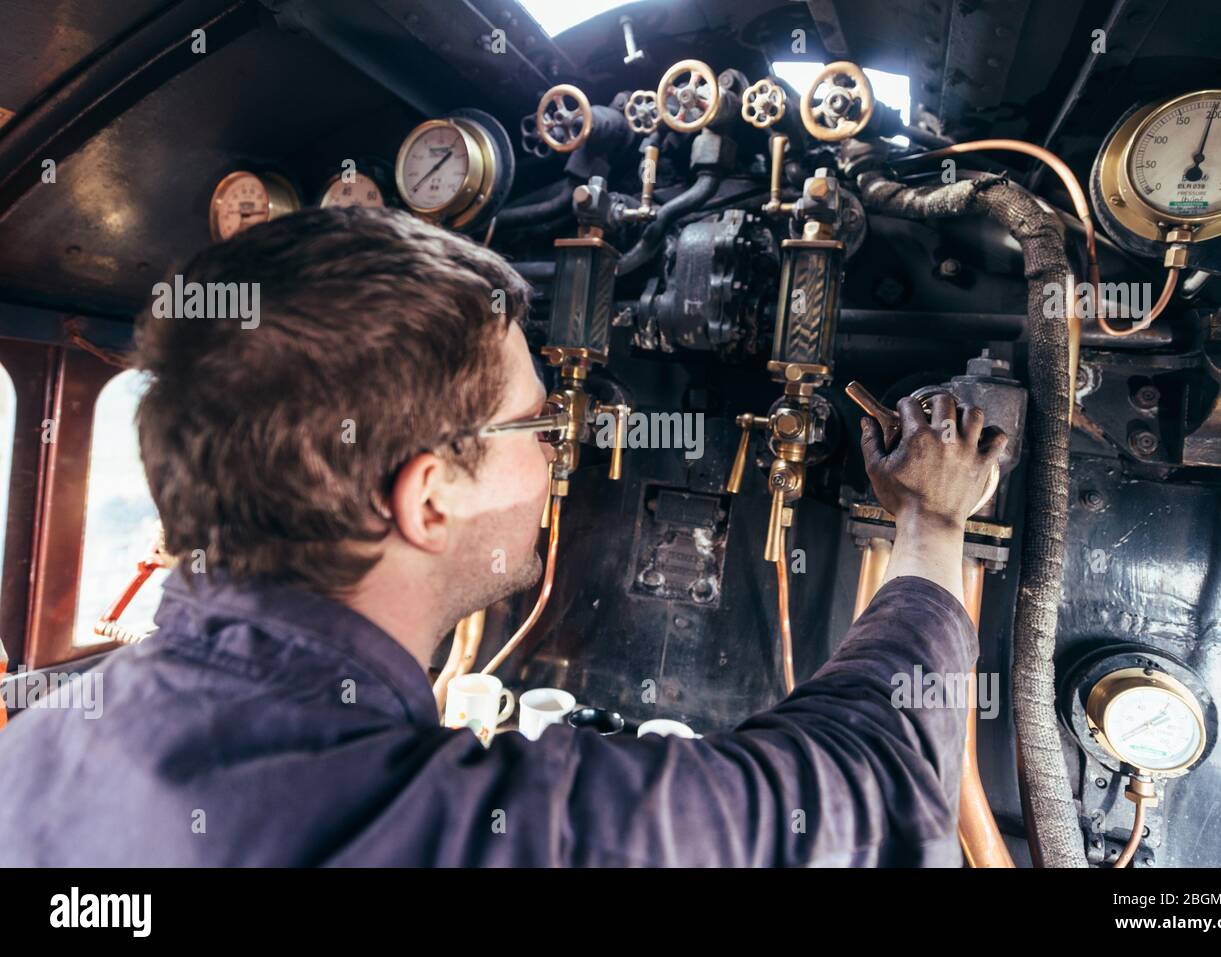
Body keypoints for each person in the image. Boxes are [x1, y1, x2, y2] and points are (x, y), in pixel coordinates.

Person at [0, 208, 1004, 866]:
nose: (558, 453)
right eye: (541, 426)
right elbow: (871, 783)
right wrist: (931, 520)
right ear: (429, 496)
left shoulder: (45, 737)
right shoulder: (483, 836)